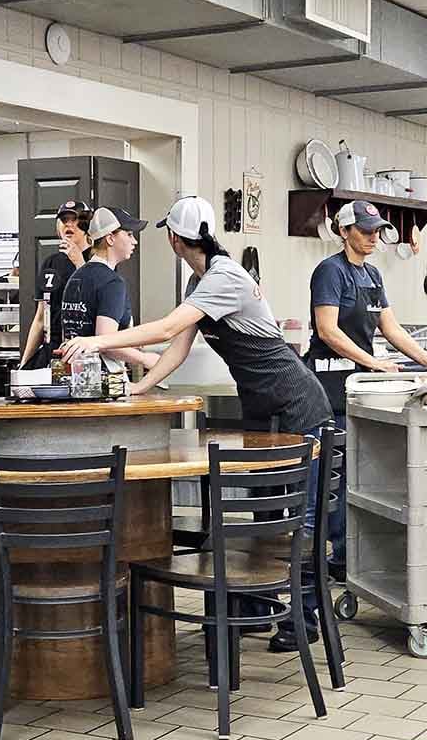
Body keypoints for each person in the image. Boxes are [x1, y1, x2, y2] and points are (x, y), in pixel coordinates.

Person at [62, 197, 333, 651]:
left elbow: (167, 329)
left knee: (298, 521)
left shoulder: (225, 276)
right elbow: (179, 345)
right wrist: (141, 386)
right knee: (265, 515)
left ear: (173, 238)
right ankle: (258, 609)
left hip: (299, 407)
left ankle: (302, 620)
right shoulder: (200, 281)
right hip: (264, 413)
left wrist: (96, 341)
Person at [306, 200, 427, 583]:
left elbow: (392, 328)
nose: (372, 237)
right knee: (327, 482)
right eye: (365, 230)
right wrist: (373, 363)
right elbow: (327, 330)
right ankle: (316, 565)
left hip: (359, 392)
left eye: (376, 231)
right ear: (344, 231)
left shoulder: (372, 275)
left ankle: (346, 559)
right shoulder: (330, 271)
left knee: (354, 478)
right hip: (328, 392)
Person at [60, 206, 160, 372]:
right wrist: (145, 359)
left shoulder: (77, 276)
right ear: (110, 238)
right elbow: (105, 342)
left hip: (74, 374)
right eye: (129, 234)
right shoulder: (112, 282)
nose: (134, 241)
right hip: (102, 377)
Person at [20, 200, 93, 368]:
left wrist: (79, 263)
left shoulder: (97, 260)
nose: (69, 224)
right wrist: (24, 362)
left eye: (75, 219)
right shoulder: (51, 263)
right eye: (64, 220)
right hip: (52, 348)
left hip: (83, 349)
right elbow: (40, 318)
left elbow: (97, 300)